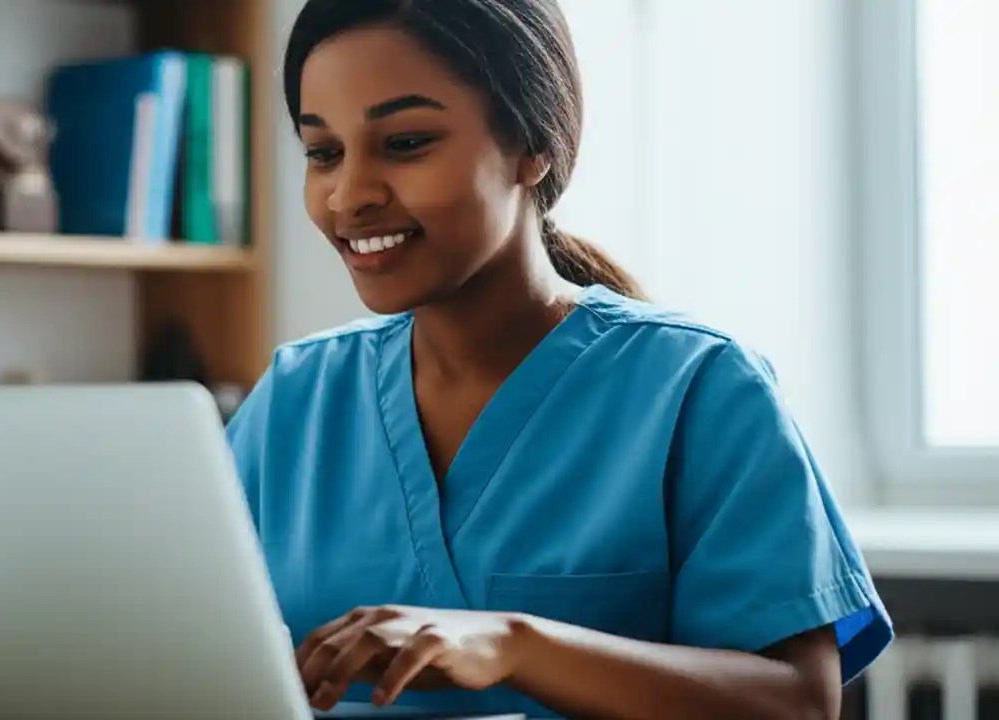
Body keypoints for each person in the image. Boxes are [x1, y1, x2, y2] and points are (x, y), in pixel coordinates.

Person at [226, 0, 893, 717]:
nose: (349, 195)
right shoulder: (295, 399)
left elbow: (798, 703)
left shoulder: (698, 387)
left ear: (532, 144)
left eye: (407, 141)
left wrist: (521, 647)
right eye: (323, 152)